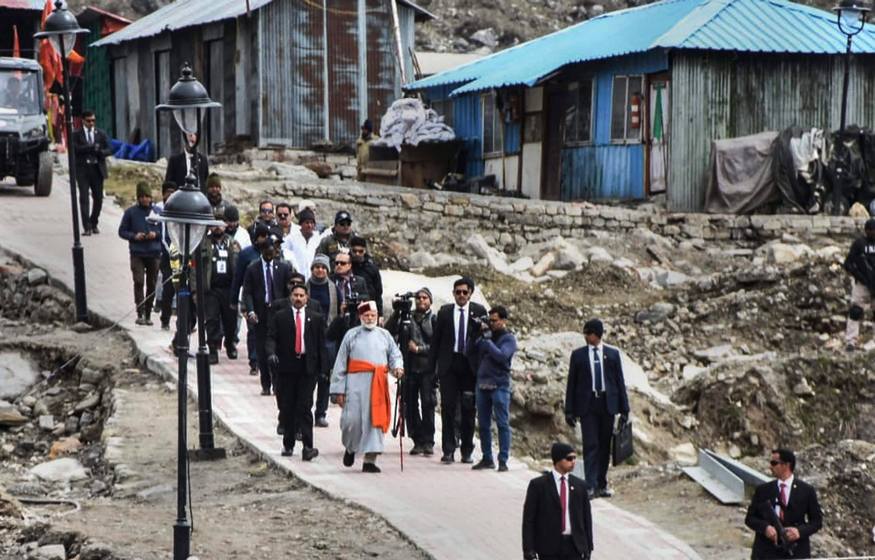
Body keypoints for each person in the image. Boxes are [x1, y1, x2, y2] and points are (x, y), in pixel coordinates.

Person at [330, 301, 404, 473]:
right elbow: (341, 362)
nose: (370, 318)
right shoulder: (351, 335)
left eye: (373, 315)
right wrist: (338, 390)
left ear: (377, 317)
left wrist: (398, 367)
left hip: (377, 384)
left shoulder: (385, 335)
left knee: (375, 422)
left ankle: (370, 460)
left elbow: (395, 354)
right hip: (355, 384)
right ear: (360, 317)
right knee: (352, 421)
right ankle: (350, 447)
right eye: (366, 316)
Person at [564, 319, 630, 498]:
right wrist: (569, 410)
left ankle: (602, 483)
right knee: (590, 444)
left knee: (604, 446)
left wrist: (625, 410)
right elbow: (572, 384)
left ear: (597, 334)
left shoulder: (613, 355)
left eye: (588, 333)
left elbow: (619, 383)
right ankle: (590, 485)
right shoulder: (578, 355)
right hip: (588, 405)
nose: (585, 337)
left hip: (607, 405)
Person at [266, 283, 328, 461]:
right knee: (288, 406)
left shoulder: (315, 318)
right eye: (295, 295)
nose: (298, 298)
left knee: (305, 407)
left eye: (302, 295)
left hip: (307, 369)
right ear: (290, 297)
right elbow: (271, 337)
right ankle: (288, 443)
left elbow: (321, 345)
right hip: (287, 368)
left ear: (307, 298)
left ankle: (308, 446)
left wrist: (324, 370)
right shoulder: (281, 317)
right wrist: (271, 354)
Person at [429, 277, 487, 464]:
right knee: (448, 408)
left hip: (469, 366)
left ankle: (467, 450)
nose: (461, 295)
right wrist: (432, 370)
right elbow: (435, 343)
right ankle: (448, 450)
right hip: (449, 365)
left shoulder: (478, 311)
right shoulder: (445, 312)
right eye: (458, 292)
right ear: (453, 293)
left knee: (469, 409)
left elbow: (484, 340)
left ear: (470, 293)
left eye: (464, 292)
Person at [385, 287, 437, 456]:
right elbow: (388, 331)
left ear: (430, 301)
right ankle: (417, 439)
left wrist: (419, 349)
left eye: (425, 298)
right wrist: (397, 313)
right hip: (409, 367)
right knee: (409, 405)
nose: (421, 300)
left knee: (428, 403)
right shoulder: (406, 317)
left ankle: (429, 440)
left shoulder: (434, 319)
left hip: (427, 368)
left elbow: (438, 345)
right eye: (419, 298)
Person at [241, 235, 295, 395]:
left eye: (273, 251)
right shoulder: (253, 268)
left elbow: (287, 292)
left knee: (279, 349)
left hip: (278, 313)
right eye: (267, 251)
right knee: (263, 349)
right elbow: (248, 292)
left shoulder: (283, 268)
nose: (271, 253)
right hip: (261, 313)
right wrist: (250, 310)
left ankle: (278, 383)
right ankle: (266, 383)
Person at [744, 449, 823, 559]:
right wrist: (765, 528)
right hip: (766, 552)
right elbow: (750, 518)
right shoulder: (763, 490)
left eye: (774, 463)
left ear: (786, 465)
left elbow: (817, 521)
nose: (770, 467)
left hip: (796, 552)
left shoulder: (806, 490)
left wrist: (799, 532)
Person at [522, 442, 593, 560]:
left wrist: (588, 547)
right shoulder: (539, 485)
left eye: (575, 458)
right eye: (569, 458)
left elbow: (586, 519)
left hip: (574, 546)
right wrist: (528, 549)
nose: (573, 462)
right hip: (548, 548)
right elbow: (529, 520)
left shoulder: (580, 486)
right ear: (558, 460)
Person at [470, 306, 517, 472]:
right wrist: (476, 333)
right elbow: (469, 351)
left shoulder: (509, 339)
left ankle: (503, 460)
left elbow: (502, 357)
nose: (491, 324)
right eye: (489, 321)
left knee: (502, 423)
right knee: (483, 424)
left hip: (500, 385)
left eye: (494, 321)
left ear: (503, 321)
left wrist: (488, 341)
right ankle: (487, 457)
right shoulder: (485, 336)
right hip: (482, 383)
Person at [118, 182, 162, 325]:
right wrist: (134, 236)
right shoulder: (130, 213)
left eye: (147, 197)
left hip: (154, 253)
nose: (145, 199)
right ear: (138, 198)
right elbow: (122, 231)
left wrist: (155, 235)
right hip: (137, 252)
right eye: (142, 197)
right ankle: (140, 311)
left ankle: (149, 312)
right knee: (139, 281)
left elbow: (165, 232)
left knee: (152, 283)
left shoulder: (157, 212)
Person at [202, 208, 241, 364]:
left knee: (230, 319)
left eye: (220, 224)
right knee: (211, 320)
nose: (217, 227)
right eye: (214, 224)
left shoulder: (233, 244)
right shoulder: (203, 243)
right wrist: (196, 290)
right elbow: (195, 269)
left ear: (225, 225)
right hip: (211, 289)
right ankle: (212, 348)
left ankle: (230, 343)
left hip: (229, 289)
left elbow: (240, 266)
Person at [307, 254, 340, 428]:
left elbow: (340, 314)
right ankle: (305, 411)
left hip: (328, 338)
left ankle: (321, 413)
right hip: (309, 337)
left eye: (323, 267)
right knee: (309, 376)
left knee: (325, 377)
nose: (320, 270)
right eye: (317, 267)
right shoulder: (305, 287)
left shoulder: (334, 288)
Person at [233, 223, 270, 376]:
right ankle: (254, 362)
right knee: (253, 331)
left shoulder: (274, 256)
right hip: (252, 300)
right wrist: (234, 299)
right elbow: (239, 279)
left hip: (270, 302)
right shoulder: (247, 255)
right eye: (262, 237)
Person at [73, 110, 113, 236]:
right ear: (83, 121)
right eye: (89, 121)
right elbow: (75, 149)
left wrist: (101, 152)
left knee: (98, 199)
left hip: (97, 169)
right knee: (84, 198)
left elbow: (110, 149)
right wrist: (90, 148)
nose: (91, 123)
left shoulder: (100, 134)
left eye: (93, 121)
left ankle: (93, 221)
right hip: (83, 170)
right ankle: (86, 226)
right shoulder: (77, 134)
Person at [844, 217, 875, 351]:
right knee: (855, 311)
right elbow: (848, 264)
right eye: (872, 231)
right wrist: (860, 277)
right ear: (867, 231)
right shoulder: (859, 243)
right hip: (862, 284)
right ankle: (851, 341)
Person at [155, 181, 178, 330]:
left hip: (181, 256)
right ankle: (165, 319)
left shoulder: (179, 210)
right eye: (168, 192)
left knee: (183, 289)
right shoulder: (162, 211)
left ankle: (185, 323)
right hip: (168, 256)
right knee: (168, 288)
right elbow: (163, 237)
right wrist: (172, 251)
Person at [283, 207, 321, 280]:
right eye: (307, 222)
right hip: (297, 278)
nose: (309, 225)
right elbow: (285, 254)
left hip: (314, 279)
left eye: (312, 223)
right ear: (301, 224)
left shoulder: (318, 239)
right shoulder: (291, 238)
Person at [350, 236, 384, 317]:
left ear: (364, 251)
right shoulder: (345, 264)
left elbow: (378, 293)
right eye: (354, 251)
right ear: (350, 250)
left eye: (360, 251)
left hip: (368, 308)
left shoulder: (372, 268)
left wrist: (380, 314)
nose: (357, 254)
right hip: (349, 307)